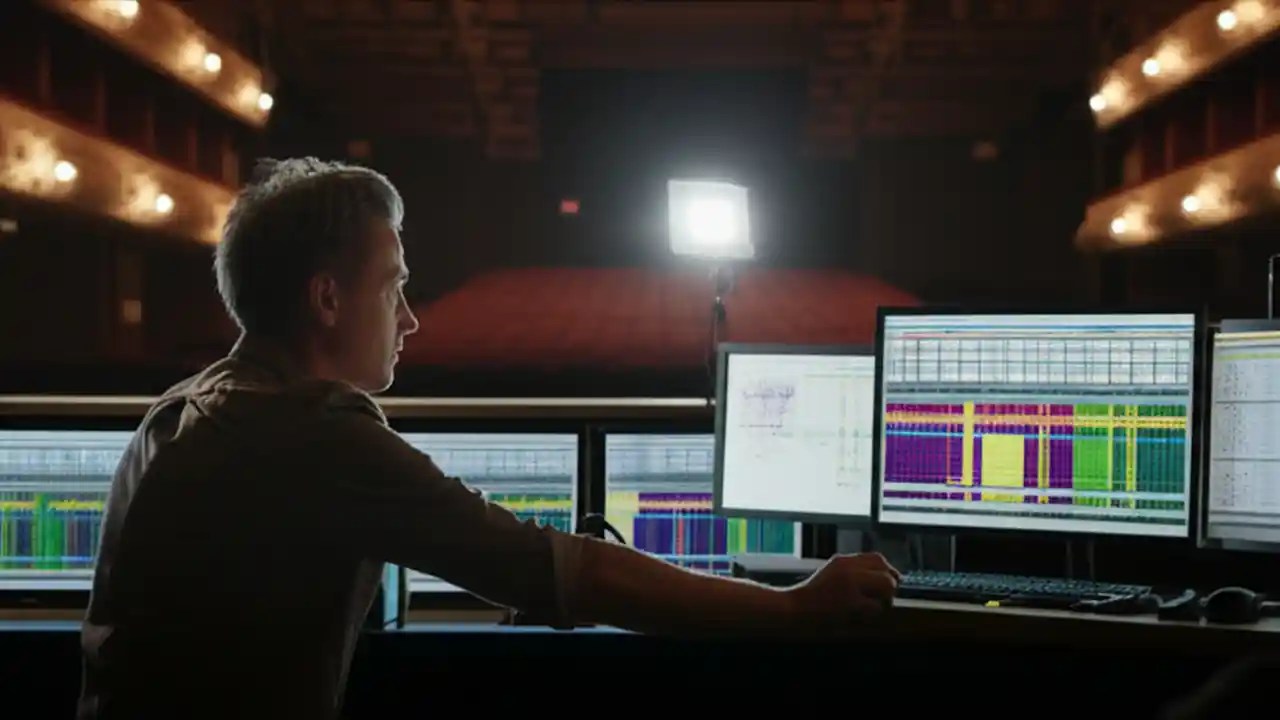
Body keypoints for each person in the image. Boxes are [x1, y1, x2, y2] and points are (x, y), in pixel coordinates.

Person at [77, 157, 900, 719]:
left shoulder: (179, 407)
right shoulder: (313, 431)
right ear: (327, 299)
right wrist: (795, 608)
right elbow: (562, 573)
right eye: (394, 287)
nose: (409, 318)